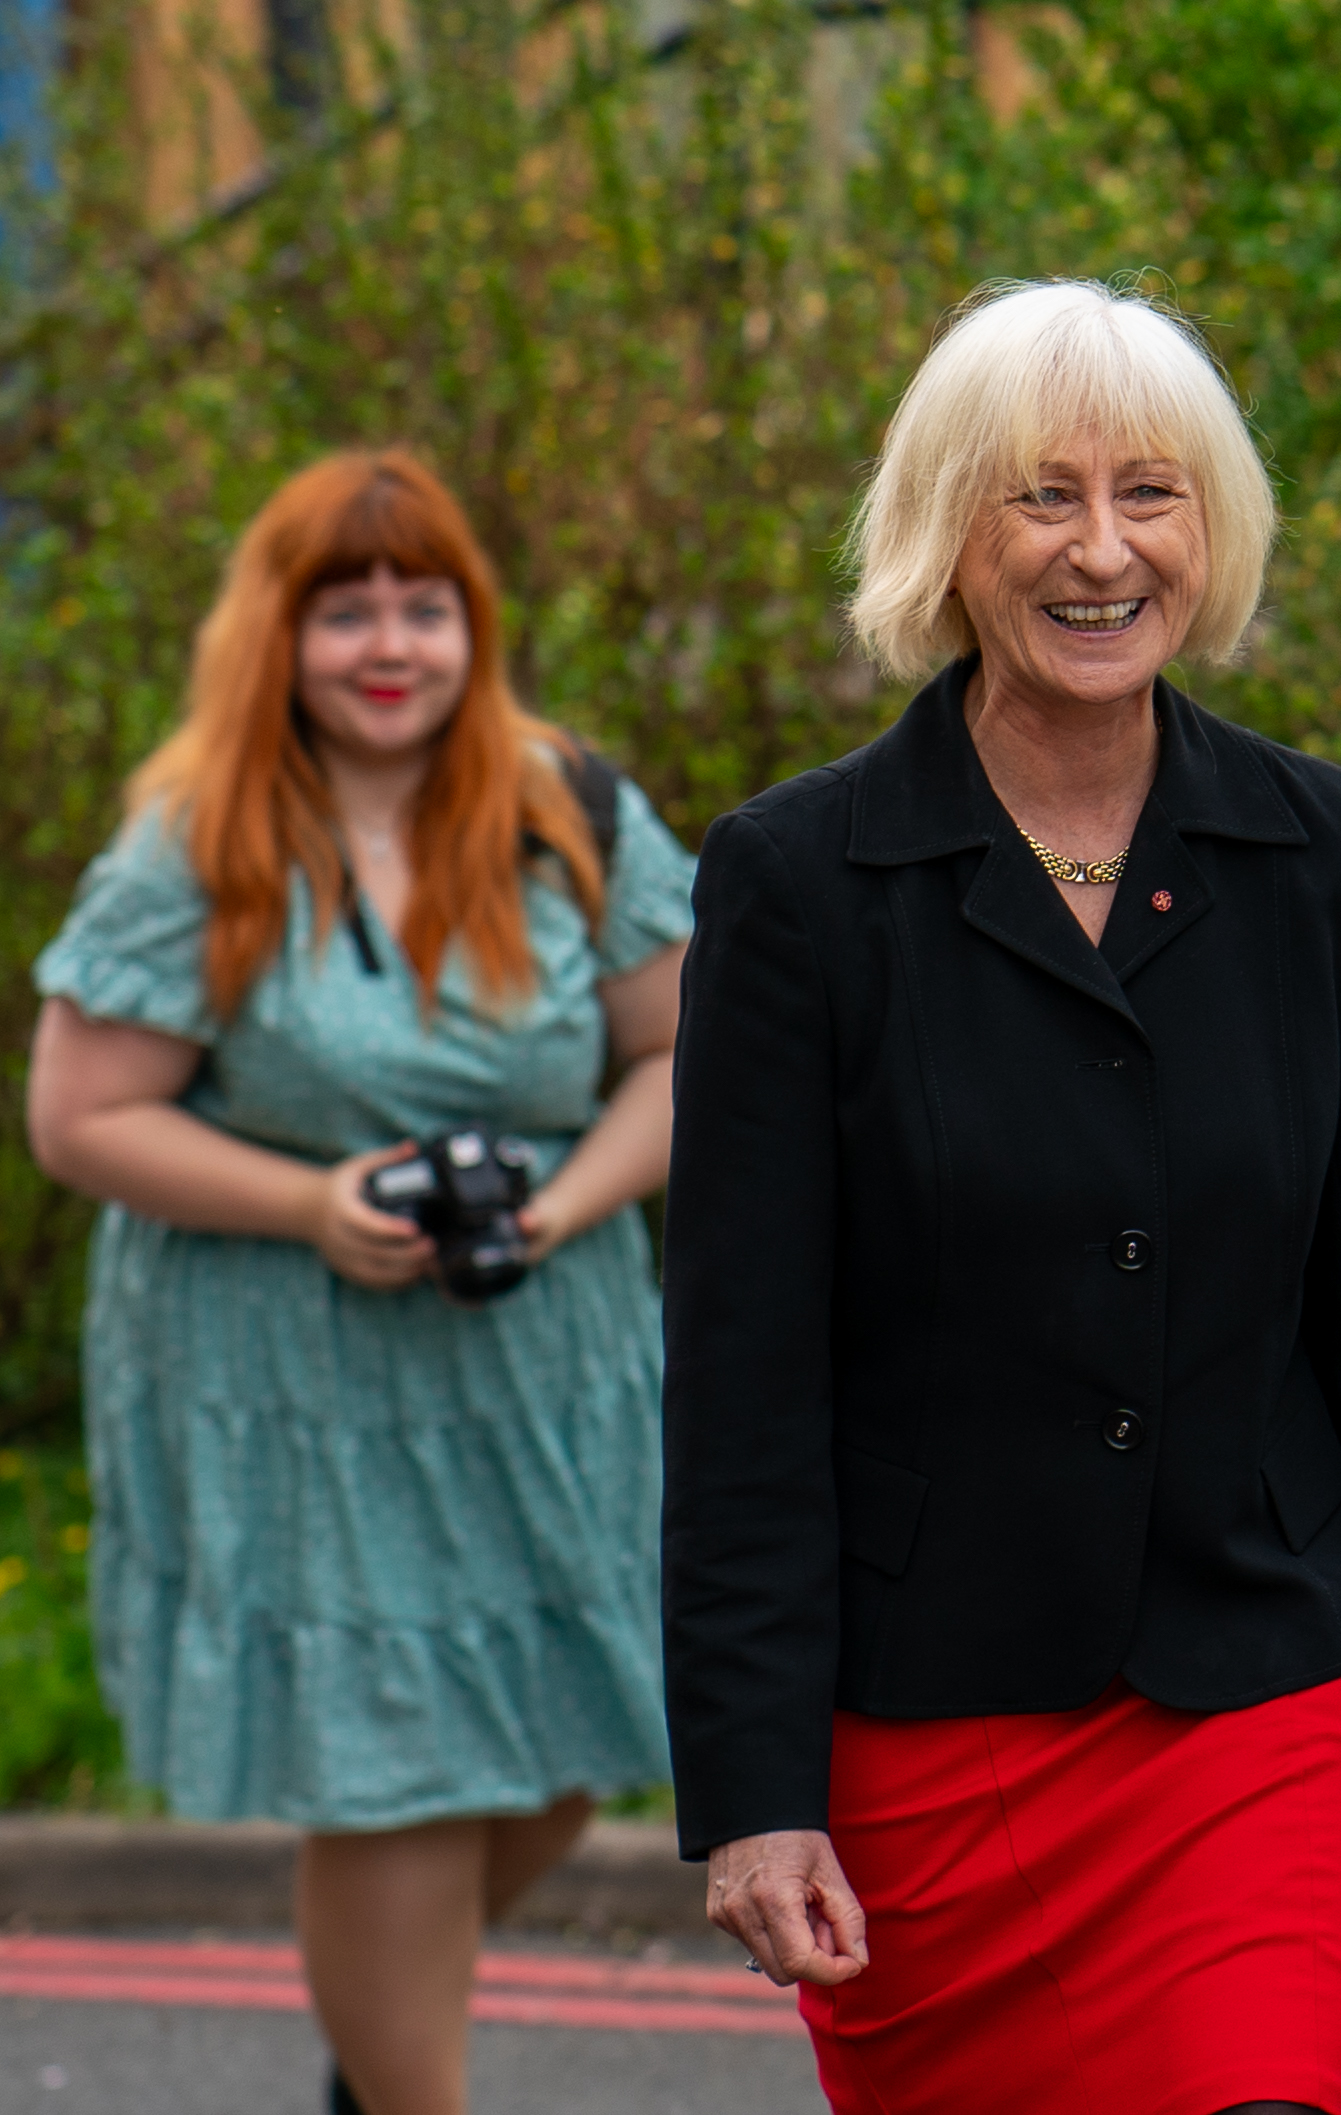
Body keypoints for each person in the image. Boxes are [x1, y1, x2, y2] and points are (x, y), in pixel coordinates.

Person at [661, 278, 1341, 2115]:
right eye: (1038, 496)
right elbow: (743, 1380)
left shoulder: (1317, 850)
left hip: (1257, 1695)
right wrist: (750, 1794)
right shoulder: (796, 883)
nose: (1100, 549)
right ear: (943, 533)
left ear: (1210, 533)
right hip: (929, 1728)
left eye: (1152, 493)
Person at [24, 452, 693, 2115]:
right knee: (394, 1770)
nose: (389, 645)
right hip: (295, 1370)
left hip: (550, 1353)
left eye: (424, 606)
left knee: (563, 1744)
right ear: (279, 635)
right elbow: (80, 1117)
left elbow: (694, 1058)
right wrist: (314, 1202)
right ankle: (408, 2093)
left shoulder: (565, 808)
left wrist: (558, 1205)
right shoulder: (197, 842)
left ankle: (377, 2050)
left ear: (474, 626)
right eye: (346, 613)